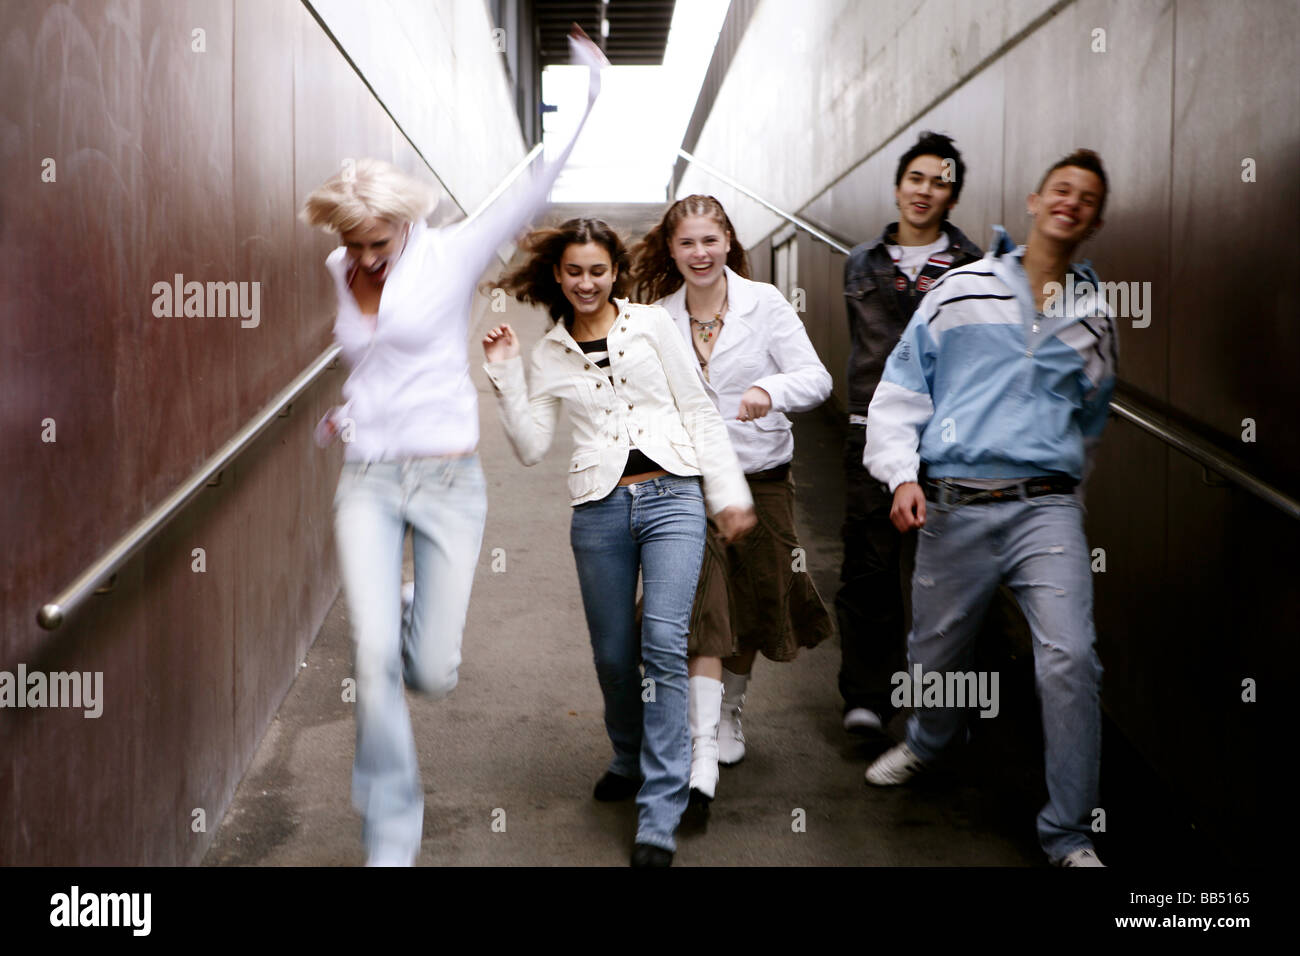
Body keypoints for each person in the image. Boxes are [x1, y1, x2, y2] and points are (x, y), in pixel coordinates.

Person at [298, 26, 607, 867]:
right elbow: (365, 364)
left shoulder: (454, 254)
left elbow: (536, 187)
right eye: (353, 243)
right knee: (368, 659)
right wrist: (348, 413)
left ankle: (410, 617)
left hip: (447, 480)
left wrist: (590, 96)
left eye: (377, 241)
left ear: (403, 220)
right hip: (366, 479)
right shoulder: (340, 267)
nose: (362, 257)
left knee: (430, 669)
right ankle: (392, 837)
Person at [862, 149, 1118, 868]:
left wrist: (1064, 498)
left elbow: (1089, 424)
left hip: (1046, 510)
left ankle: (1069, 833)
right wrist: (901, 476)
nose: (1071, 202)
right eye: (1061, 189)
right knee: (935, 652)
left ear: (1094, 219)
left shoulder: (1096, 317)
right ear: (1034, 201)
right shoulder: (962, 287)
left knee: (1070, 660)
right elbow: (903, 388)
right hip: (953, 502)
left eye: (1087, 197)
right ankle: (929, 740)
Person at [482, 218, 755, 867]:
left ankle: (658, 812)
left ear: (615, 272)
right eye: (574, 271)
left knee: (663, 643)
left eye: (597, 270)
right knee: (612, 656)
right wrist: (505, 375)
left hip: (674, 497)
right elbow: (530, 448)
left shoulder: (651, 325)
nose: (585, 282)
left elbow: (696, 409)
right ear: (558, 274)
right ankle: (628, 756)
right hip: (599, 510)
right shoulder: (549, 351)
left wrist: (729, 494)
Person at [629, 195, 833, 810]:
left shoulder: (765, 304)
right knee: (703, 606)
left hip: (762, 478)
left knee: (754, 599)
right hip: (688, 485)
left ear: (727, 242)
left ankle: (729, 714)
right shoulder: (655, 319)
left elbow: (817, 378)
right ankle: (697, 750)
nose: (699, 254)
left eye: (709, 241)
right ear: (671, 249)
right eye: (687, 243)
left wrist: (769, 388)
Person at [837, 132, 982, 739]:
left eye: (939, 181)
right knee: (870, 565)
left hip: (949, 440)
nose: (925, 191)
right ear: (899, 186)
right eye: (916, 178)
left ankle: (944, 708)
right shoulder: (862, 262)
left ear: (952, 196)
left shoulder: (975, 267)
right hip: (872, 430)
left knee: (950, 574)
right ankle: (868, 696)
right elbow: (866, 350)